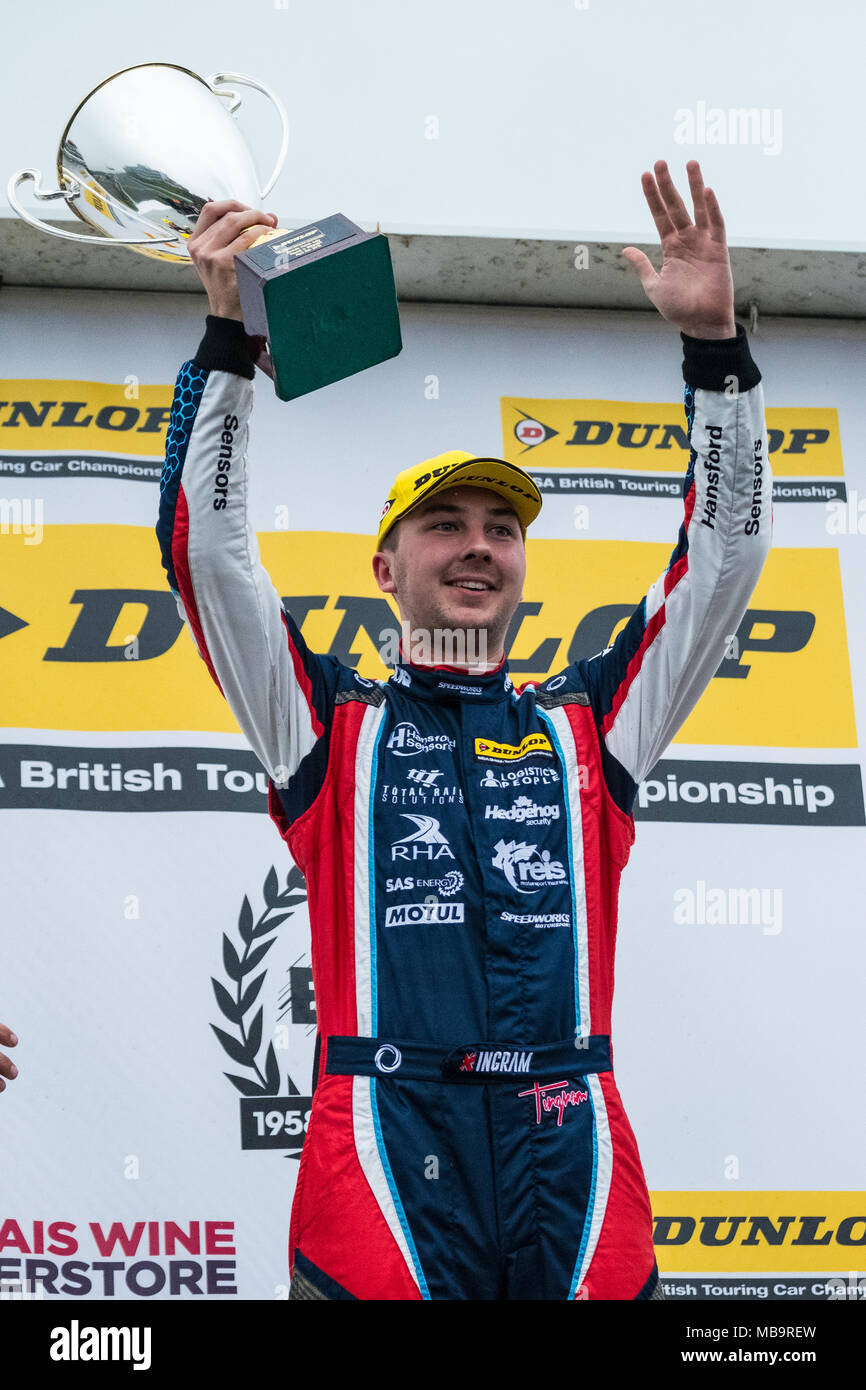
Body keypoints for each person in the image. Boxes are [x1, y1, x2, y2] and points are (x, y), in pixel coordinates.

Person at [2, 157, 762, 1304]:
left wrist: (715, 358)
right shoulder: (325, 721)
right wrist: (226, 345)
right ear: (384, 565)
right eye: (443, 522)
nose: (474, 545)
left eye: (499, 527)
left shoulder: (590, 722)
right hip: (381, 1133)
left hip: (573, 1138)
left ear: (519, 564)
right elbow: (206, 557)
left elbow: (721, 567)